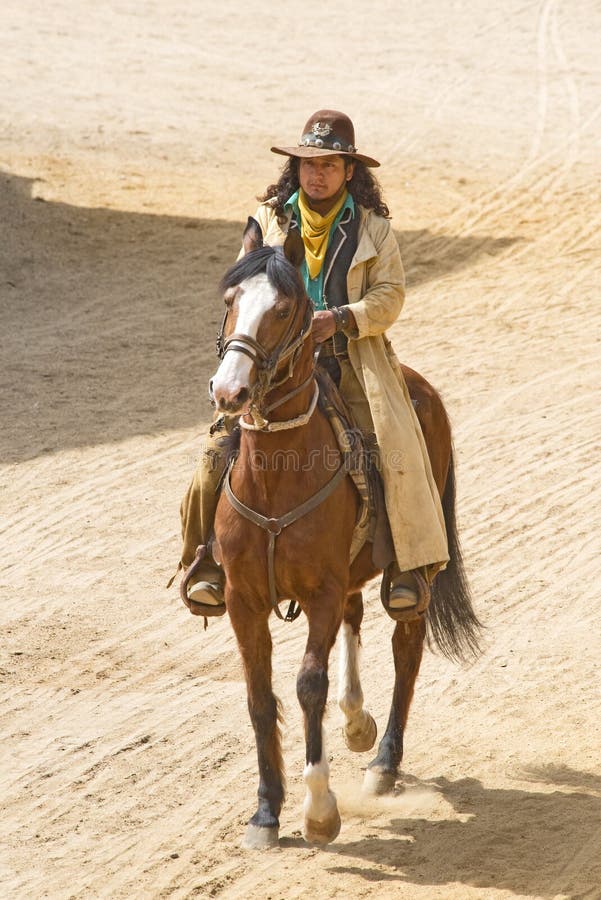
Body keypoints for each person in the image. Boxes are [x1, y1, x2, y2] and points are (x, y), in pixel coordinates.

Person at [179, 109, 448, 612]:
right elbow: (244, 286)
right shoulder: (267, 220)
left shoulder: (373, 228)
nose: (317, 173)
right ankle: (206, 560)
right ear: (296, 169)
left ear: (350, 171)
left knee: (396, 451)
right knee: (216, 452)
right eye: (308, 164)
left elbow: (390, 295)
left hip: (350, 358)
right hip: (274, 363)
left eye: (328, 165)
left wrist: (342, 317)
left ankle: (405, 567)